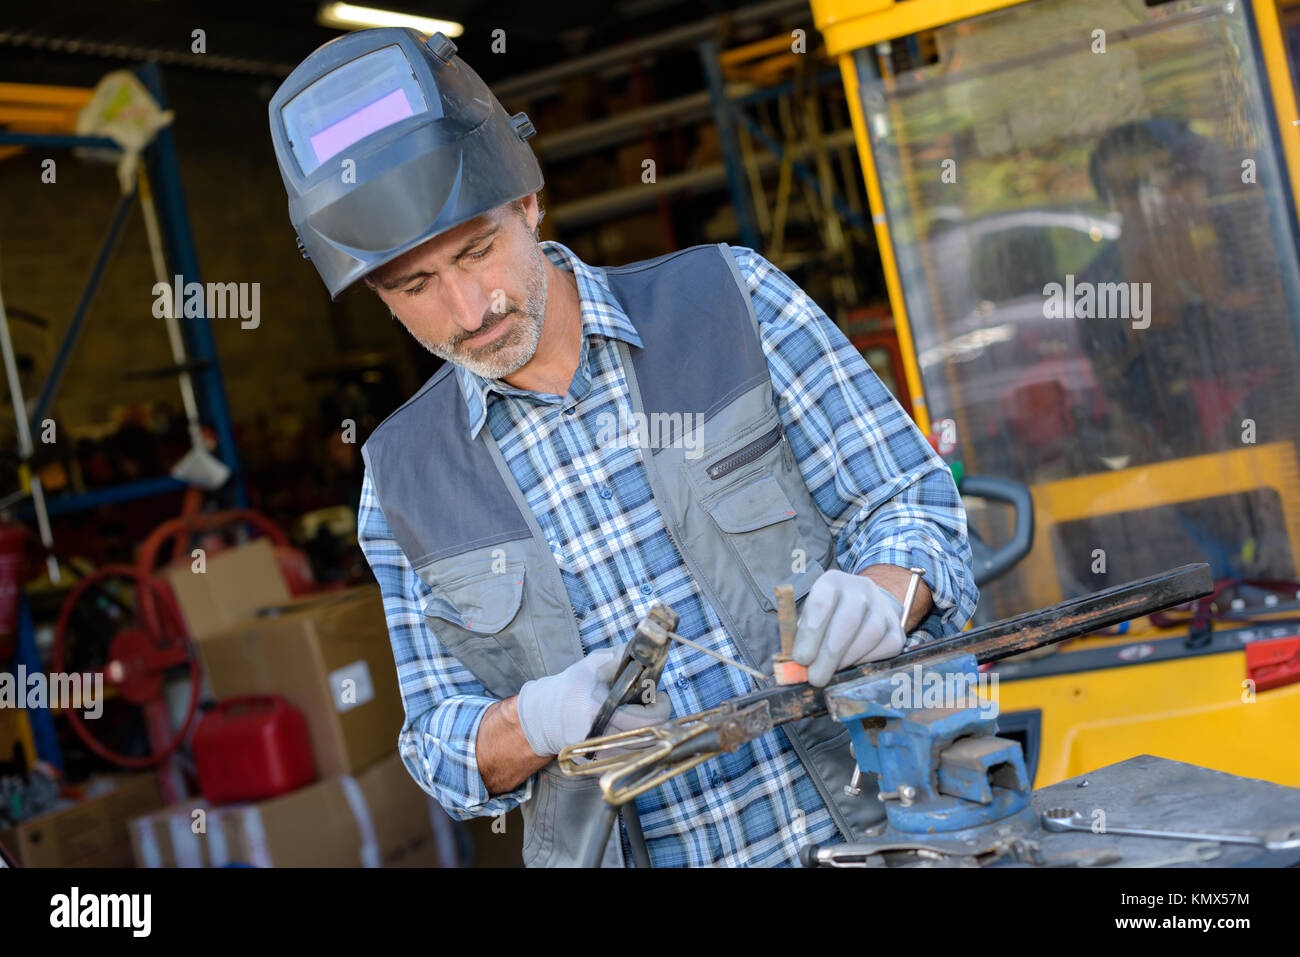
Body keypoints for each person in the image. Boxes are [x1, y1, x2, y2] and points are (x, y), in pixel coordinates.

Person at [269, 27, 977, 867]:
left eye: (479, 250)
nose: (468, 311)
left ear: (529, 201)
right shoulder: (402, 482)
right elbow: (437, 745)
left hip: (886, 836)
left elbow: (911, 498)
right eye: (416, 287)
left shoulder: (728, 300)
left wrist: (883, 596)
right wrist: (531, 721)